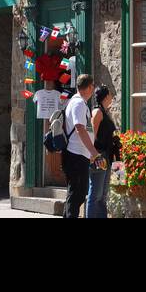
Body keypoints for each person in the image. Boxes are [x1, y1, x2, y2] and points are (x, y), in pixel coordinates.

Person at [62, 74, 97, 218]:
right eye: (92, 86)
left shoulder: (80, 103)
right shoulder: (78, 104)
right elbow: (80, 128)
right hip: (75, 154)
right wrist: (93, 151)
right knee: (76, 193)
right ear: (89, 87)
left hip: (79, 154)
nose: (93, 89)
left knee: (78, 193)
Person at [87, 85, 122, 219]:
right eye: (110, 95)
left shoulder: (104, 111)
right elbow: (92, 135)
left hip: (106, 155)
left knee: (103, 194)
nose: (112, 98)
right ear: (106, 96)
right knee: (96, 192)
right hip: (99, 155)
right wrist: (92, 154)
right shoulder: (97, 112)